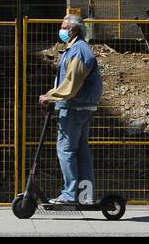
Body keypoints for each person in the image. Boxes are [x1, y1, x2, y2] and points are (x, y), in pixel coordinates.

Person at [37, 13, 103, 204]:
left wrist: (50, 97)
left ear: (73, 30)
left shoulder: (79, 51)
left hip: (75, 107)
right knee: (81, 151)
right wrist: (51, 94)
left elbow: (72, 84)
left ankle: (69, 194)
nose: (62, 30)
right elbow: (66, 81)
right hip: (81, 106)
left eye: (64, 27)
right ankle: (85, 195)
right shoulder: (74, 49)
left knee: (65, 149)